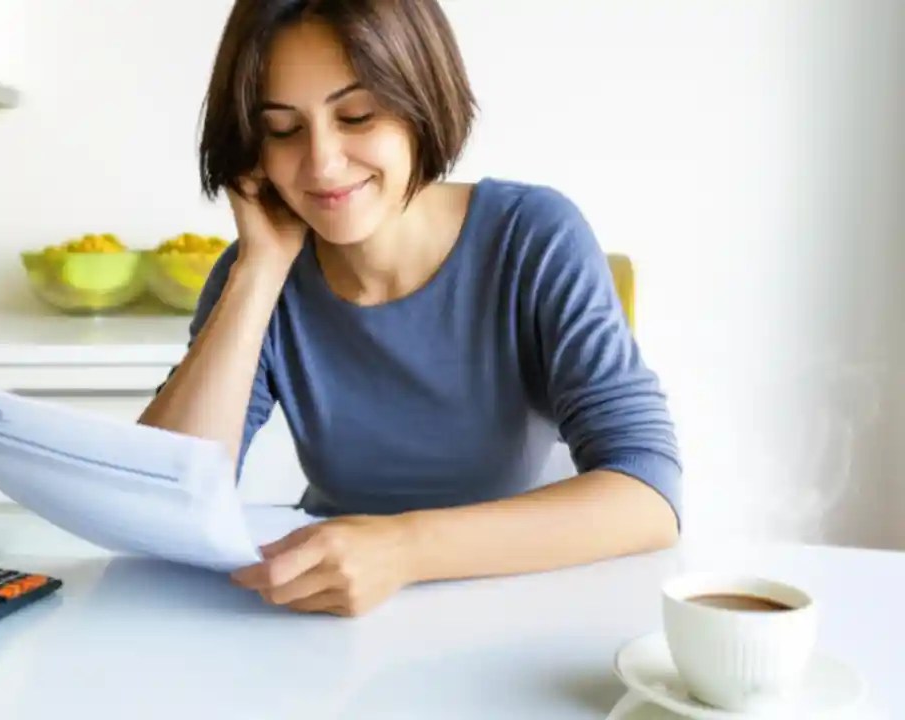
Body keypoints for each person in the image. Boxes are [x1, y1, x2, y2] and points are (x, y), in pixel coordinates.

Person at [139, 0, 681, 617]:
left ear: (420, 100)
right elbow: (160, 504)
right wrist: (258, 272)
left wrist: (402, 550)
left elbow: (648, 494)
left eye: (357, 115)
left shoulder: (532, 236)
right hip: (334, 614)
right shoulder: (256, 274)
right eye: (283, 130)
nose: (321, 163)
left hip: (517, 599)